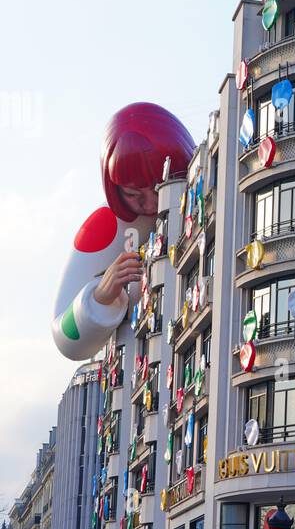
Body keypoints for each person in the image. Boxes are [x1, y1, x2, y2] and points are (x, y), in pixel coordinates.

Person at [52, 103, 195, 362]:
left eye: (156, 190)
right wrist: (99, 296)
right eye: (134, 195)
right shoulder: (105, 224)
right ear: (114, 189)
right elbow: (63, 334)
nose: (151, 205)